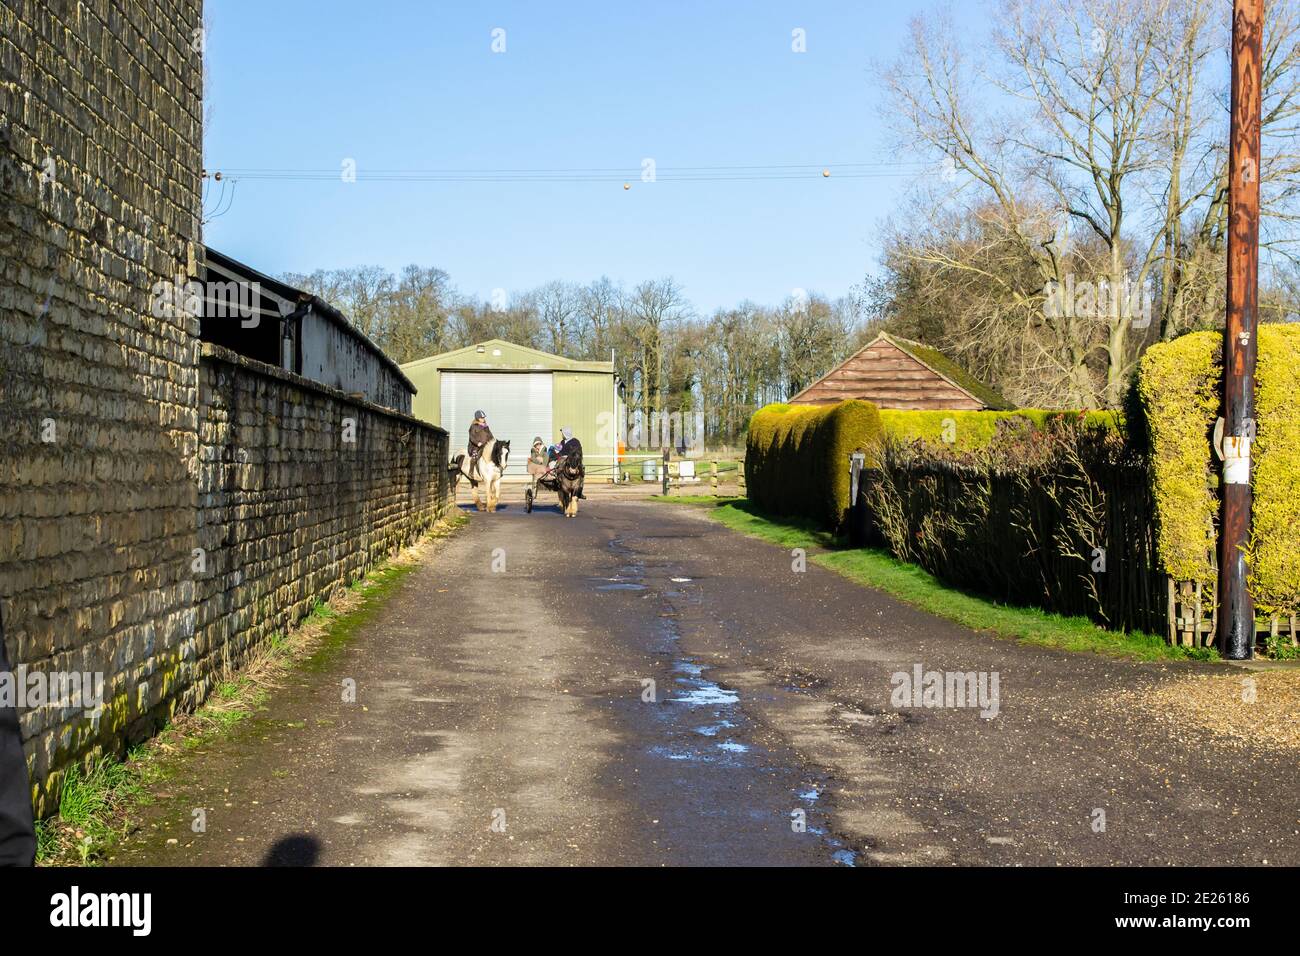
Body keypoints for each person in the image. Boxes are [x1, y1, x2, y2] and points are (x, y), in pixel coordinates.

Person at [467, 410, 493, 480]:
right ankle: (471, 472)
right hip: (475, 446)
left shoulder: (486, 426)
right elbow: (471, 437)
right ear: (477, 418)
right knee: (474, 457)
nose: (483, 419)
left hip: (485, 446)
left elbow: (490, 436)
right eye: (481, 418)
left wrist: (493, 441)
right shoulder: (473, 427)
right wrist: (477, 443)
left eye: (484, 418)